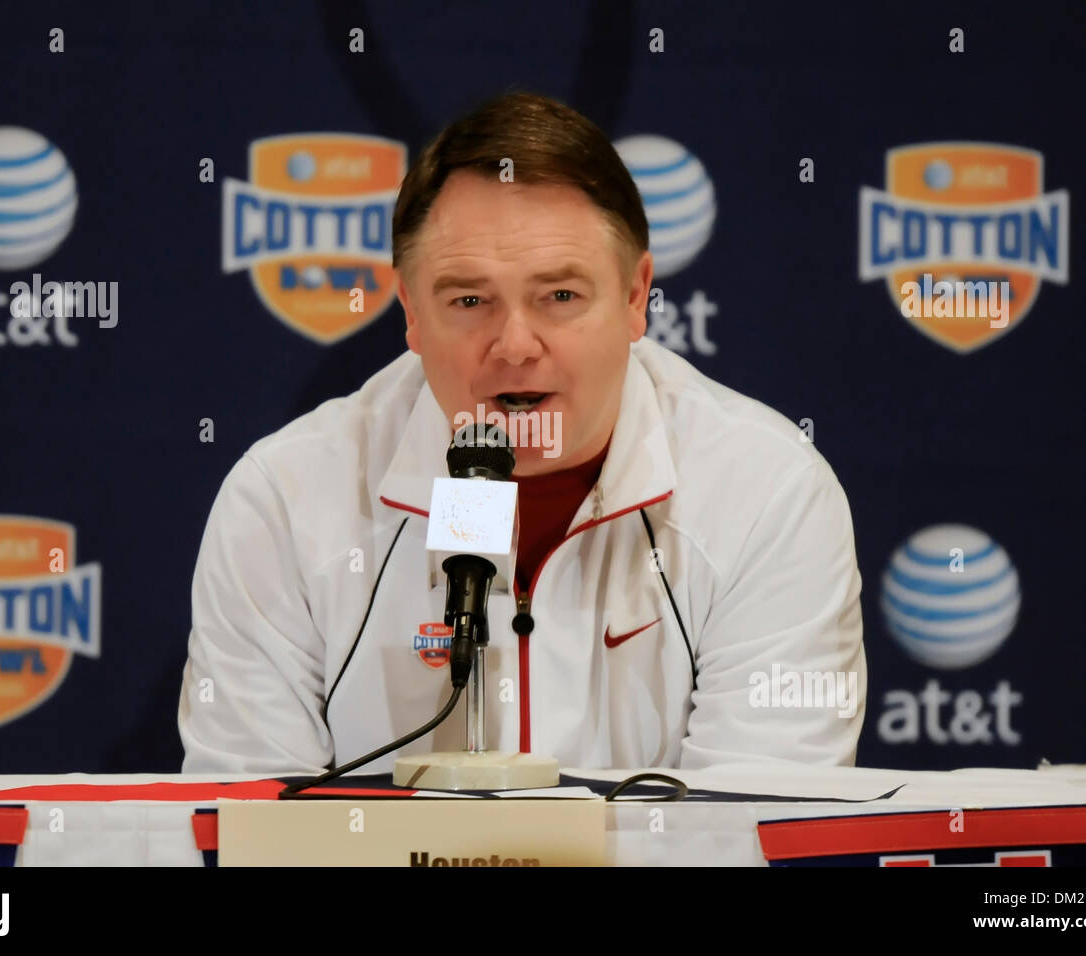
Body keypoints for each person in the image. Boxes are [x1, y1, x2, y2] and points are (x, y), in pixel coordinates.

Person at [178, 90, 866, 774]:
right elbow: (250, 824)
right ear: (412, 312)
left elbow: (752, 824)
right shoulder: (283, 503)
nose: (514, 344)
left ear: (635, 297)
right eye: (469, 301)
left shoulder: (768, 492)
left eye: (559, 297)